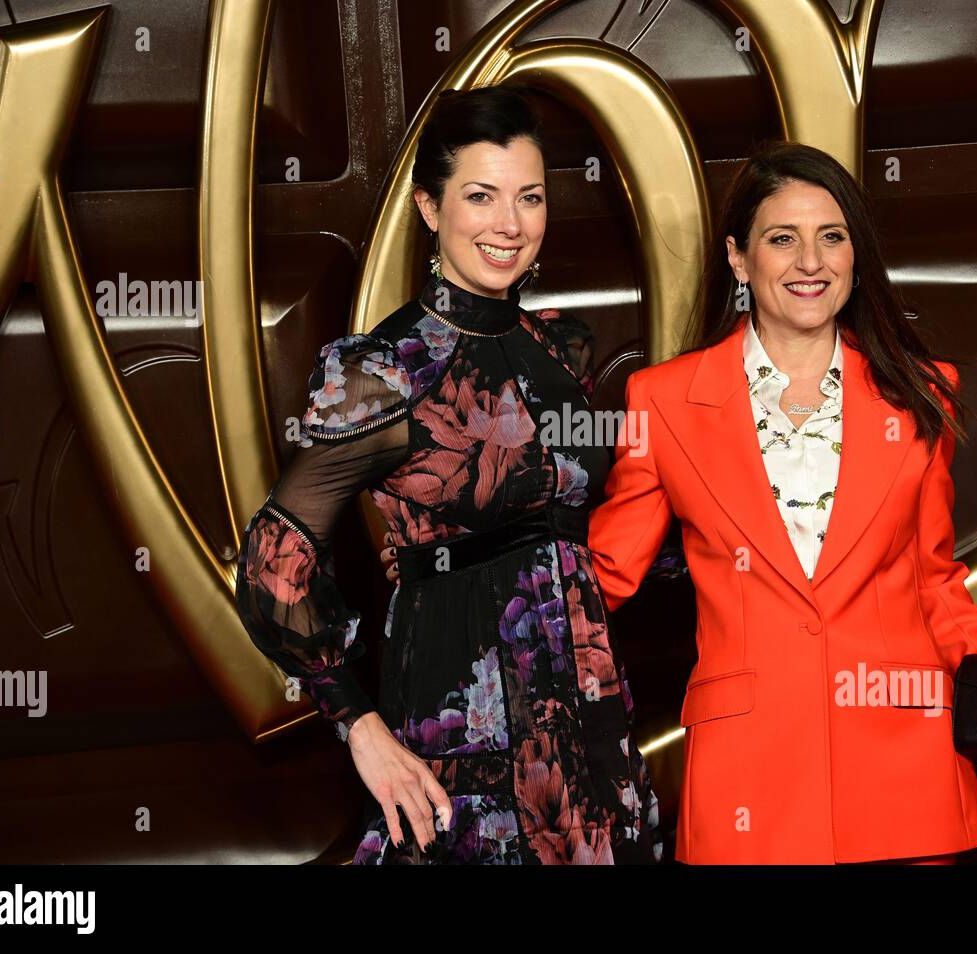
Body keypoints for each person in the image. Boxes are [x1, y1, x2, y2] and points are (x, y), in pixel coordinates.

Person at [382, 140, 977, 864]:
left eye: (831, 238)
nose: (811, 261)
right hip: (749, 786)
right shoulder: (665, 401)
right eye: (783, 239)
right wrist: (452, 568)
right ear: (741, 260)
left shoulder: (921, 393)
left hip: (908, 779)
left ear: (855, 256)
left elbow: (936, 585)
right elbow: (597, 577)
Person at [234, 86, 662, 865]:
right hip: (466, 735)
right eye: (481, 196)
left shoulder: (563, 352)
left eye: (529, 198)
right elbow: (271, 568)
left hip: (590, 727)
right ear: (430, 208)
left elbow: (585, 528)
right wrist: (359, 728)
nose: (509, 223)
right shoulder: (387, 371)